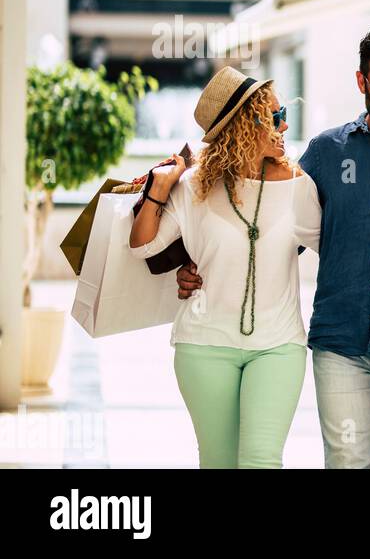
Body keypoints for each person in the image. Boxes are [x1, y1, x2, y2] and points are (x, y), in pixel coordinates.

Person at [178, 26, 370, 468]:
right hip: (341, 341)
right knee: (347, 460)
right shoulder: (326, 152)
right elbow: (272, 222)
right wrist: (198, 262)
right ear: (361, 83)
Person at [130, 66, 321, 468]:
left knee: (261, 460)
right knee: (217, 462)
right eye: (275, 114)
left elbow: (333, 248)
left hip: (278, 345)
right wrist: (158, 189)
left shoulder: (299, 185)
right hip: (203, 346)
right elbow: (143, 245)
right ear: (245, 124)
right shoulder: (194, 185)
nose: (285, 123)